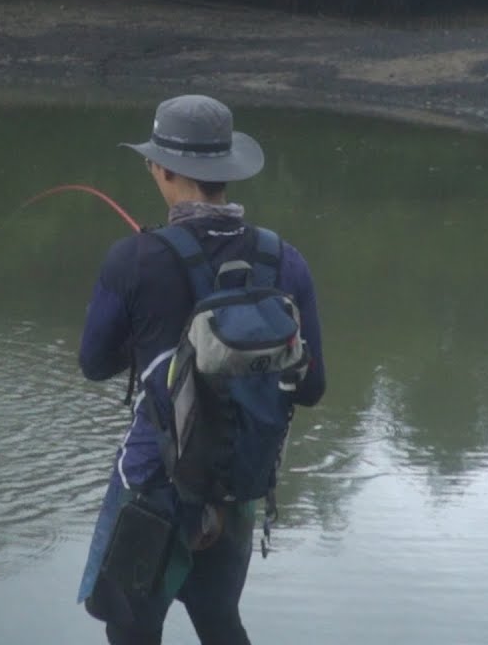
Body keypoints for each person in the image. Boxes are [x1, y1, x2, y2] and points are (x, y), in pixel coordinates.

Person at [75, 94, 326, 644]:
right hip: (238, 487)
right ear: (226, 171)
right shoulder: (284, 260)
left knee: (131, 629)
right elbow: (311, 387)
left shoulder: (133, 260)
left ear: (164, 170)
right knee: (219, 624)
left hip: (150, 484)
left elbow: (93, 363)